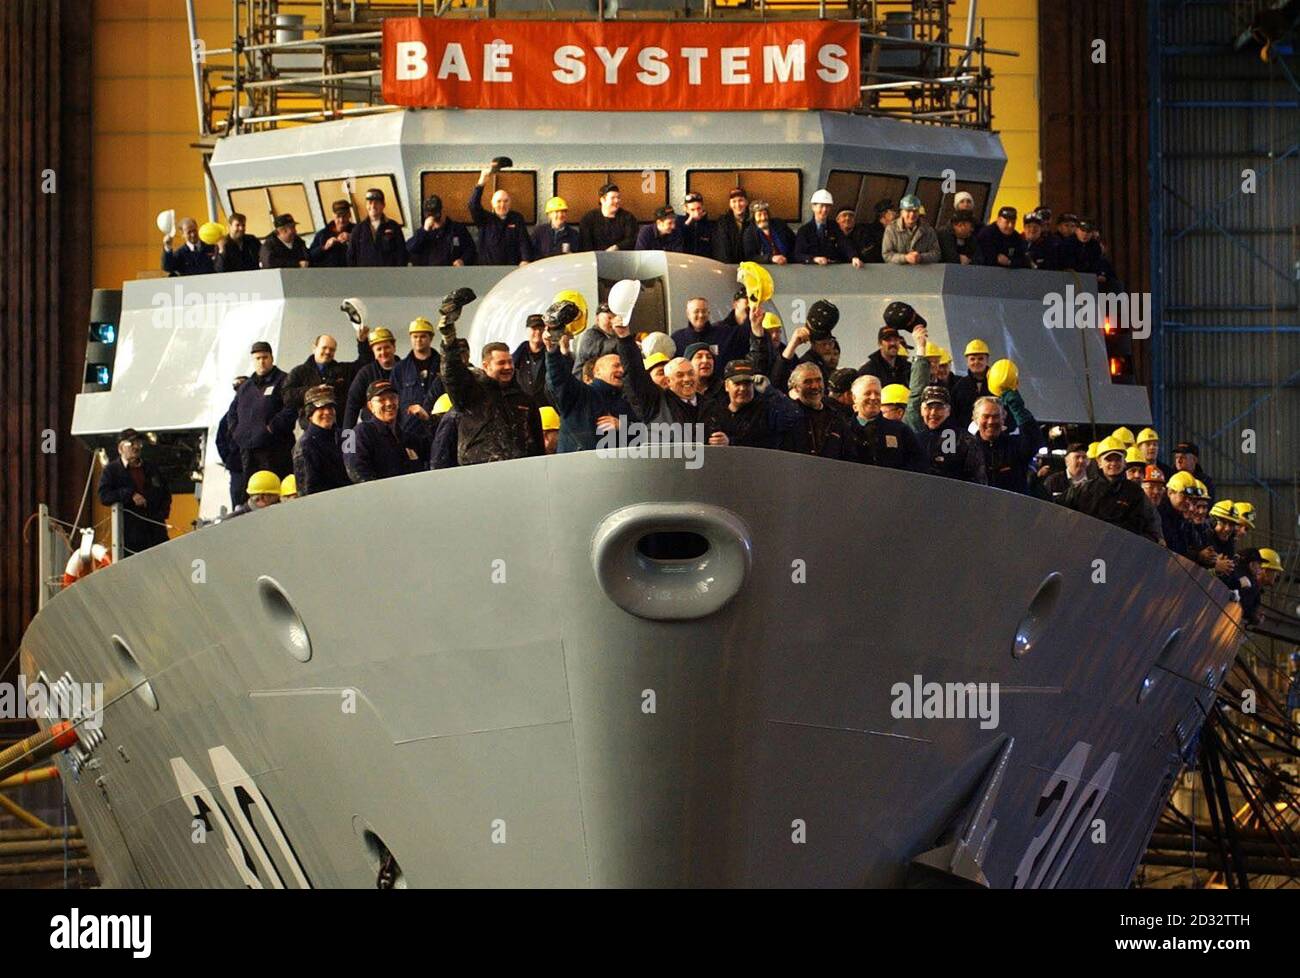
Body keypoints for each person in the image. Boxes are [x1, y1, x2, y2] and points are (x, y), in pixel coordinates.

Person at [439, 316, 545, 465]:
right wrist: (449, 339)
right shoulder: (469, 396)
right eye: (501, 363)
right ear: (486, 365)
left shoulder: (525, 400)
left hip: (520, 474)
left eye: (510, 362)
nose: (508, 367)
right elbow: (451, 374)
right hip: (478, 474)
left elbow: (538, 446)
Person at [544, 328, 630, 453]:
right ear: (597, 372)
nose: (622, 370)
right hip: (577, 469)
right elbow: (558, 378)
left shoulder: (628, 401)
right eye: (616, 365)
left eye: (623, 365)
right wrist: (553, 352)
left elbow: (645, 435)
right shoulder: (579, 394)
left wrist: (623, 426)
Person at [1061, 437, 1160, 542]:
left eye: (1118, 459)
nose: (1113, 463)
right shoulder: (1083, 490)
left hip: (1123, 551)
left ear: (1124, 462)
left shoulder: (1135, 492)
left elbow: (1151, 524)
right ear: (1099, 462)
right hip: (1089, 549)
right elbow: (1058, 510)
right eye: (1108, 459)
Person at [97, 428, 172, 555]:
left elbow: (165, 493)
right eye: (132, 444)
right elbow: (104, 496)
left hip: (156, 532)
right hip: (131, 535)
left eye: (139, 443)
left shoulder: (151, 468)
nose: (137, 447)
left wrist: (161, 513)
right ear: (121, 448)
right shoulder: (112, 470)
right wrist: (129, 494)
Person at [229, 341, 295, 478]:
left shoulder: (284, 380)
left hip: (275, 450)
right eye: (257, 358)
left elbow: (291, 408)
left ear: (271, 358)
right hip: (248, 450)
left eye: (265, 357)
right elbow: (232, 412)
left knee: (275, 487)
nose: (261, 362)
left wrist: (271, 428)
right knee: (251, 492)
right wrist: (237, 432)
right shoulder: (245, 387)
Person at [346, 380, 427, 481]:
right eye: (382, 400)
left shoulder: (407, 438)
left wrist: (427, 420)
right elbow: (357, 472)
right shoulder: (359, 433)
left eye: (392, 398)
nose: (389, 403)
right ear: (370, 406)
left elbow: (433, 454)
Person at [282, 330, 375, 417]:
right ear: (314, 348)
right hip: (311, 429)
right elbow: (286, 396)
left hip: (339, 427)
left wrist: (363, 343)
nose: (327, 352)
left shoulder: (343, 370)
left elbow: (364, 365)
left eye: (332, 349)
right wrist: (313, 391)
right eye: (324, 348)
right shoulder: (299, 372)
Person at [905, 383, 985, 482]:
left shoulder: (964, 440)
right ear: (921, 410)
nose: (933, 413)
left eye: (939, 408)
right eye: (929, 408)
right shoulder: (914, 439)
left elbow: (978, 481)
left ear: (948, 411)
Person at [972, 390, 1046, 494]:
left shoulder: (1015, 445)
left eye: (996, 416)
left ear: (1003, 419)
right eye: (986, 416)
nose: (991, 421)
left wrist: (1019, 412)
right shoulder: (966, 449)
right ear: (975, 419)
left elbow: (1035, 441)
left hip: (1011, 508)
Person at [468, 161, 534, 265]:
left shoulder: (517, 218)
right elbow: (473, 205)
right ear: (492, 204)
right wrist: (481, 183)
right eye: (498, 201)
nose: (502, 205)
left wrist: (525, 260)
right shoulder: (484, 219)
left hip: (511, 271)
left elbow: (523, 242)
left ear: (510, 202)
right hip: (487, 270)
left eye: (505, 201)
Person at [786, 362, 854, 460]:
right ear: (796, 387)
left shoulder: (836, 418)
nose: (815, 386)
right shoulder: (787, 415)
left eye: (818, 380)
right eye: (807, 382)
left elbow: (849, 456)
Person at [292, 385, 350, 496]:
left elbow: (354, 467)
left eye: (330, 407)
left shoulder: (347, 436)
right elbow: (307, 491)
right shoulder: (304, 446)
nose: (327, 412)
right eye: (321, 408)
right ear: (310, 414)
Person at [392, 317, 446, 431]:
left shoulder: (443, 366)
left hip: (439, 428)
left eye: (423, 336)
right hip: (410, 431)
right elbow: (393, 400)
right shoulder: (399, 369)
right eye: (415, 336)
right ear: (410, 338)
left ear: (431, 338)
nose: (418, 340)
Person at [343, 328, 400, 431]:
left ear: (394, 347)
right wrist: (347, 442)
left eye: (386, 347)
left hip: (402, 430)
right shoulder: (365, 373)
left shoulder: (406, 369)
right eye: (378, 349)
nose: (383, 352)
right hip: (373, 432)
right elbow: (352, 405)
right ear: (373, 351)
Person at [406, 195, 476, 267]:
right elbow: (409, 249)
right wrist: (424, 231)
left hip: (452, 272)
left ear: (442, 211)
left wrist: (463, 260)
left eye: (437, 218)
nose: (436, 222)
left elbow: (471, 249)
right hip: (429, 273)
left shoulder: (457, 229)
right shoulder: (423, 234)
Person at [347, 188, 407, 267]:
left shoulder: (393, 227)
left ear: (383, 205)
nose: (373, 206)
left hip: (388, 276)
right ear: (366, 205)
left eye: (376, 203)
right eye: (370, 203)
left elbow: (402, 254)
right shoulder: (358, 229)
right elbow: (351, 257)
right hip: (365, 276)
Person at [794, 189, 854, 266]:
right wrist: (814, 259)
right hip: (812, 270)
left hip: (833, 269)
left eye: (827, 206)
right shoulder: (804, 230)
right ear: (813, 207)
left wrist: (853, 257)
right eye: (821, 206)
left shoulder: (834, 227)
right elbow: (798, 255)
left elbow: (845, 244)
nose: (824, 210)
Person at [216, 375, 248, 508]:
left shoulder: (259, 409)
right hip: (237, 466)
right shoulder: (229, 415)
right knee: (238, 502)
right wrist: (229, 458)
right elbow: (220, 440)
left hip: (259, 463)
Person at [579, 183, 639, 252]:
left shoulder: (628, 218)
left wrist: (617, 247)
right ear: (602, 200)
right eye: (613, 198)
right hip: (595, 259)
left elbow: (632, 239)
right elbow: (585, 244)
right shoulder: (588, 219)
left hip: (621, 257)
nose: (617, 201)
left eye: (618, 197)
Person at [883, 195, 941, 265]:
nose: (912, 214)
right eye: (908, 211)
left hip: (923, 273)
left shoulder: (928, 230)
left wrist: (920, 257)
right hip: (898, 273)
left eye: (915, 211)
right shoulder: (891, 229)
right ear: (902, 212)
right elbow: (887, 255)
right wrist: (905, 258)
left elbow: (936, 254)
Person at [859, 318, 913, 388]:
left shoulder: (909, 368)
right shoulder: (868, 371)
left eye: (896, 339)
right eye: (888, 340)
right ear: (880, 344)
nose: (893, 343)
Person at [512, 314, 551, 408]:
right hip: (524, 406)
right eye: (534, 328)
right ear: (527, 331)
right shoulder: (520, 353)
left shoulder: (551, 351)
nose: (537, 332)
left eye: (541, 329)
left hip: (547, 407)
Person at [572, 303, 621, 377]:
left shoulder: (612, 337)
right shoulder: (590, 334)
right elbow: (600, 349)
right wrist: (623, 341)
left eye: (615, 318)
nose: (613, 322)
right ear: (597, 319)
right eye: (609, 318)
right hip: (583, 383)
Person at [951, 339, 991, 428]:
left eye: (980, 358)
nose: (976, 362)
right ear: (967, 361)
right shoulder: (960, 386)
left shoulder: (999, 383)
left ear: (987, 360)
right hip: (967, 437)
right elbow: (953, 414)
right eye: (972, 359)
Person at [308, 199, 355, 268]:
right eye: (338, 216)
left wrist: (352, 237)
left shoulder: (358, 230)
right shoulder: (322, 234)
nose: (341, 220)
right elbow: (310, 257)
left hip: (354, 273)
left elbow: (369, 250)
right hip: (330, 275)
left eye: (344, 216)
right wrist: (324, 247)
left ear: (349, 215)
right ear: (333, 216)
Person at [712, 187, 751, 263]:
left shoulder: (753, 220)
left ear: (746, 202)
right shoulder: (723, 222)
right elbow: (722, 249)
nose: (738, 204)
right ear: (730, 204)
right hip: (729, 266)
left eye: (740, 200)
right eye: (734, 201)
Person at [678, 192, 715, 258]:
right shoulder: (679, 223)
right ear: (686, 209)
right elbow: (678, 241)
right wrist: (688, 222)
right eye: (692, 209)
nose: (696, 213)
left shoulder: (711, 226)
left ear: (703, 207)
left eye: (699, 208)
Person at [858, 199, 895, 264]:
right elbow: (868, 252)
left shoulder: (896, 230)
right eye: (892, 211)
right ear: (883, 215)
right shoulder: (869, 231)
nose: (896, 214)